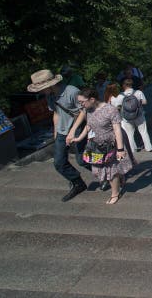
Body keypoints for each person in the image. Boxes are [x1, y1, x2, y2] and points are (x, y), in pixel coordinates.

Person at [26, 69, 88, 202]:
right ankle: (78, 183)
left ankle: (107, 172)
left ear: (50, 85)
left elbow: (83, 112)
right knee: (59, 162)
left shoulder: (72, 91)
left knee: (82, 160)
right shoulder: (50, 95)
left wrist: (73, 131)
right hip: (62, 130)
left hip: (78, 128)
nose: (40, 92)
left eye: (41, 88)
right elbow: (56, 113)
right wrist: (56, 132)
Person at [71, 88, 135, 205]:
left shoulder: (110, 110)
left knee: (111, 171)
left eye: (82, 102)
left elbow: (117, 130)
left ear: (92, 99)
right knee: (98, 169)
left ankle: (115, 194)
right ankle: (120, 177)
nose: (80, 105)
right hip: (97, 145)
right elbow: (88, 125)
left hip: (111, 144)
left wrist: (120, 149)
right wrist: (79, 137)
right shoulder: (88, 109)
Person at [112, 78, 152, 152]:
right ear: (131, 85)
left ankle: (132, 149)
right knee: (143, 132)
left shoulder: (120, 96)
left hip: (126, 118)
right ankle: (149, 147)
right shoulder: (138, 92)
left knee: (129, 134)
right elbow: (145, 102)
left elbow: (116, 106)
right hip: (139, 115)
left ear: (124, 85)